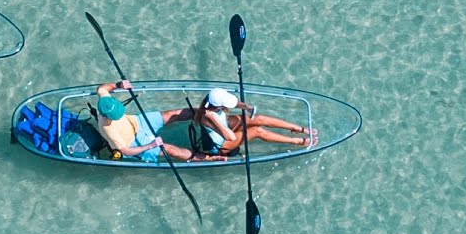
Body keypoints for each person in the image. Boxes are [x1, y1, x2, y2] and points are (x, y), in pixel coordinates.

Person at [93, 80, 226, 163]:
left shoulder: (105, 101)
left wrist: (118, 85)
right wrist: (150, 146)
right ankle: (209, 158)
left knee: (171, 114)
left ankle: (207, 115)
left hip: (138, 122)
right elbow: (125, 151)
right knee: (169, 149)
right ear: (108, 117)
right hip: (134, 143)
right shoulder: (107, 129)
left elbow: (102, 88)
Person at [176, 87, 317, 156]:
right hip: (219, 144)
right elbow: (229, 136)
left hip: (222, 126)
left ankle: (298, 129)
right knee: (257, 130)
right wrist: (214, 119)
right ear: (218, 106)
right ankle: (297, 141)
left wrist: (247, 108)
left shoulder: (211, 98)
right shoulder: (208, 117)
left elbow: (234, 103)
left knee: (258, 119)